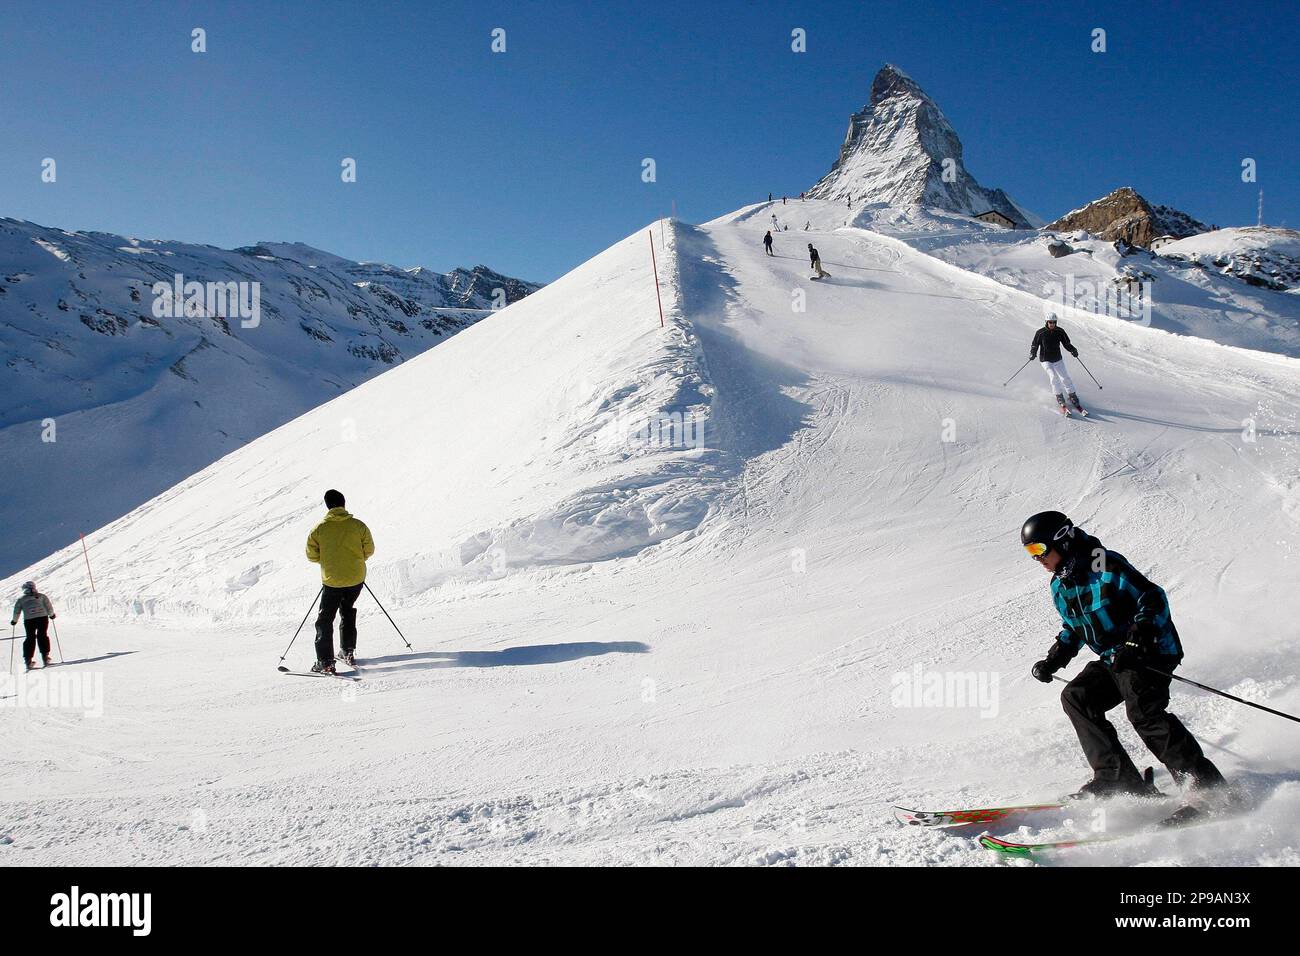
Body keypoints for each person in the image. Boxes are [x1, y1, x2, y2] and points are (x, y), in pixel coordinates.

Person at [1022, 511, 1227, 812]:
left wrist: (1136, 639)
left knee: (1143, 711)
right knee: (1077, 697)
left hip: (1150, 652)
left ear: (1063, 542)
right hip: (1114, 658)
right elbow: (1075, 628)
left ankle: (1206, 788)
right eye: (1030, 553)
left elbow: (1152, 598)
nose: (1036, 558)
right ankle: (1117, 778)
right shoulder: (1060, 586)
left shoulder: (1102, 563)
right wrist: (1053, 660)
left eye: (1039, 549)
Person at [306, 489, 375, 673]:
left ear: (328, 506)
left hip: (332, 580)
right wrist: (354, 561)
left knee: (325, 620)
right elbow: (369, 550)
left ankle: (325, 662)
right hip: (356, 578)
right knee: (347, 610)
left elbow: (311, 555)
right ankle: (347, 650)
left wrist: (328, 559)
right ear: (344, 504)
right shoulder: (358, 525)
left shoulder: (319, 529)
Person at [1030, 315, 1083, 413]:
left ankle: (1072, 395)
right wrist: (1033, 353)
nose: (1052, 324)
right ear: (1046, 322)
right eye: (1050, 322)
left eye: (1054, 322)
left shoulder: (1060, 331)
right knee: (1053, 376)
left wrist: (1073, 350)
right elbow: (1034, 344)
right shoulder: (1040, 333)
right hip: (1045, 360)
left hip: (1057, 359)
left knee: (1065, 377)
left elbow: (1066, 343)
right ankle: (1059, 396)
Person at [10, 581, 55, 670]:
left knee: (30, 638)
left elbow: (16, 611)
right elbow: (48, 606)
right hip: (42, 617)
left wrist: (14, 621)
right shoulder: (42, 596)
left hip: (29, 620)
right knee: (42, 635)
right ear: (34, 587)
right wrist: (51, 614)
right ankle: (45, 658)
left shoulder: (21, 599)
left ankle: (28, 661)